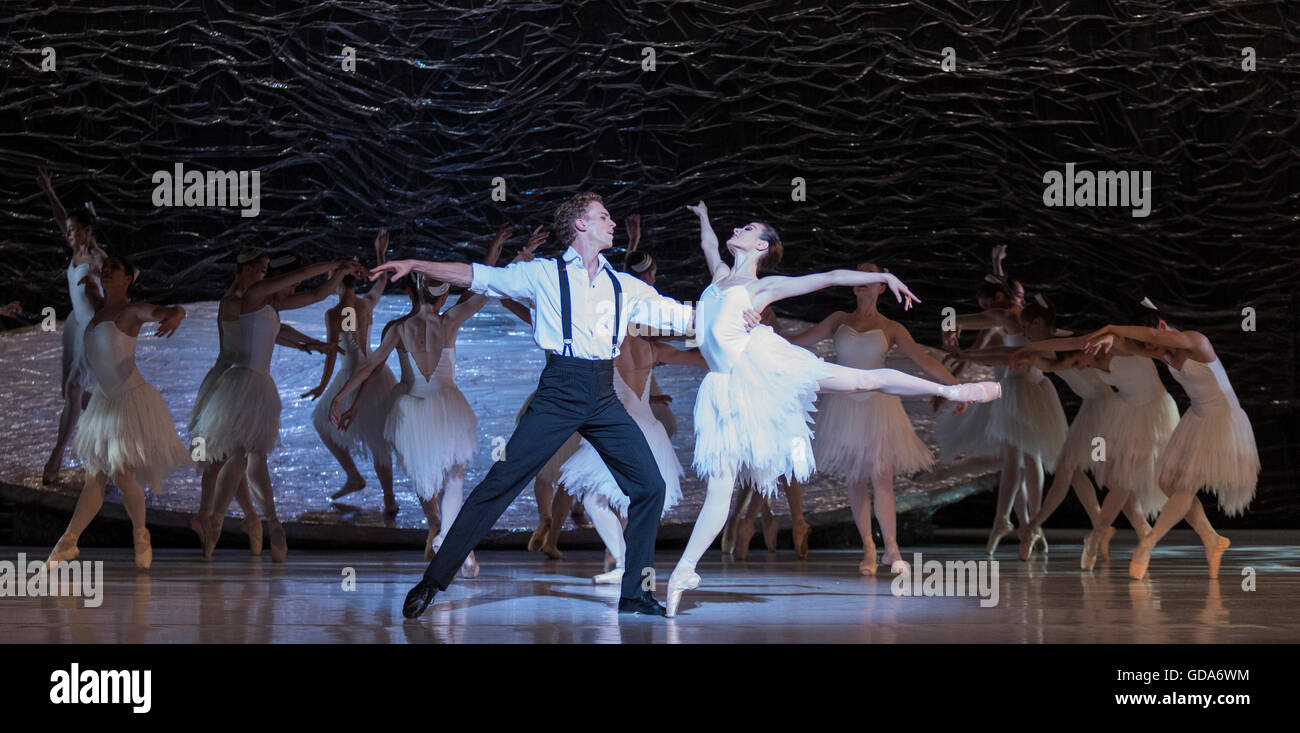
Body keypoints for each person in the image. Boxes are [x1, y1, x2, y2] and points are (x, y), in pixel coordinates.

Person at [373, 193, 720, 618]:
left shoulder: (623, 284)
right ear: (580, 225)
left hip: (603, 392)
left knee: (650, 486)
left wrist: (734, 315)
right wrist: (416, 265)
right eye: (603, 216)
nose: (611, 222)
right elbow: (478, 276)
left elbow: (681, 317)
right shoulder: (542, 274)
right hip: (560, 390)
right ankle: (433, 580)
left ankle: (635, 593)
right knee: (501, 482)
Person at [665, 201, 1001, 616]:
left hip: (761, 367)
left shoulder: (763, 288)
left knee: (864, 380)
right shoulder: (719, 276)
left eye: (749, 227)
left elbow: (828, 278)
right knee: (720, 487)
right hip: (724, 388)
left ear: (763, 245)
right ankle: (684, 572)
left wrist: (883, 276)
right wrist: (702, 218)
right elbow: (709, 247)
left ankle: (955, 393)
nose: (739, 227)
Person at [332, 227, 508, 575]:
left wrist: (341, 396)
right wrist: (499, 251)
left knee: (424, 477)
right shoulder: (451, 320)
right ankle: (447, 537)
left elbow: (369, 367)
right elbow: (483, 288)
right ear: (443, 297)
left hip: (413, 407)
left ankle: (443, 533)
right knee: (454, 475)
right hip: (447, 404)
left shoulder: (398, 328)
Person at [787, 262, 965, 575]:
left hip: (880, 406)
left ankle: (892, 548)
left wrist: (957, 388)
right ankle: (869, 547)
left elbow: (924, 361)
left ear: (882, 286)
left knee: (881, 475)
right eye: (859, 275)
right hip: (845, 406)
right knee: (856, 478)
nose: (863, 281)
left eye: (871, 276)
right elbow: (799, 341)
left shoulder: (892, 328)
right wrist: (757, 337)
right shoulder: (838, 319)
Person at [192, 257, 366, 561]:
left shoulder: (272, 308)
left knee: (254, 456)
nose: (294, 289)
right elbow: (303, 278)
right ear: (278, 280)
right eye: (290, 284)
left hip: (260, 385)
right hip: (242, 380)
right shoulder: (255, 295)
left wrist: (311, 341)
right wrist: (334, 265)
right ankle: (219, 521)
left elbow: (313, 299)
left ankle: (270, 525)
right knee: (239, 453)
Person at [1081, 306, 1254, 579]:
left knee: (1184, 486)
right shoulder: (1161, 347)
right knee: (1167, 483)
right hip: (1197, 418)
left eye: (1156, 343)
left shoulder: (1196, 341)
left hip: (1222, 419)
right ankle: (1211, 539)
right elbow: (1131, 346)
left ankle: (1147, 545)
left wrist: (1111, 329)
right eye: (1151, 348)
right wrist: (1111, 339)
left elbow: (1152, 338)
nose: (1158, 352)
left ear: (1163, 327)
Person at [46, 256, 190, 569]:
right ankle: (67, 543)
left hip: (130, 399)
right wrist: (85, 275)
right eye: (106, 267)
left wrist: (178, 313)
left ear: (128, 279)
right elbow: (86, 287)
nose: (108, 270)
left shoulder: (131, 311)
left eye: (115, 268)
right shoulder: (98, 308)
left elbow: (163, 311)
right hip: (104, 402)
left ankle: (141, 534)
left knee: (123, 476)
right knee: (94, 478)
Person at [305, 230, 398, 512]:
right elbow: (382, 280)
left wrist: (323, 385)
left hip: (352, 375)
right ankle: (387, 497)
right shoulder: (366, 302)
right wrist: (380, 252)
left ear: (335, 283)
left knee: (324, 422)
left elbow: (333, 352)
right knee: (377, 438)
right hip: (373, 373)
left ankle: (356, 477)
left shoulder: (334, 313)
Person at [37, 170, 108, 485]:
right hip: (76, 329)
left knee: (74, 392)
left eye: (73, 231)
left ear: (87, 231)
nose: (67, 234)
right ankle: (105, 438)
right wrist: (50, 190)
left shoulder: (96, 258)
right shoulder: (78, 250)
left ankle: (56, 458)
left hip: (91, 330)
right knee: (79, 395)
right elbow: (61, 217)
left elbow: (116, 286)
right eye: (66, 231)